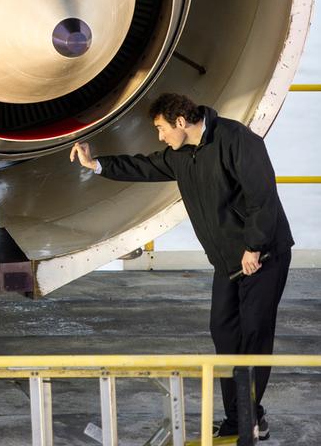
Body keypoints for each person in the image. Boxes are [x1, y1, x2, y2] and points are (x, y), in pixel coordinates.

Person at [70, 93, 293, 442]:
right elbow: (144, 166)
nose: (159, 137)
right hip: (227, 261)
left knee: (253, 336)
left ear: (180, 122)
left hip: (262, 256)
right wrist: (96, 164)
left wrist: (255, 246)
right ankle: (249, 415)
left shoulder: (237, 140)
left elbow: (261, 195)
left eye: (160, 129)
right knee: (224, 333)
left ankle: (244, 419)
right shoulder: (181, 154)